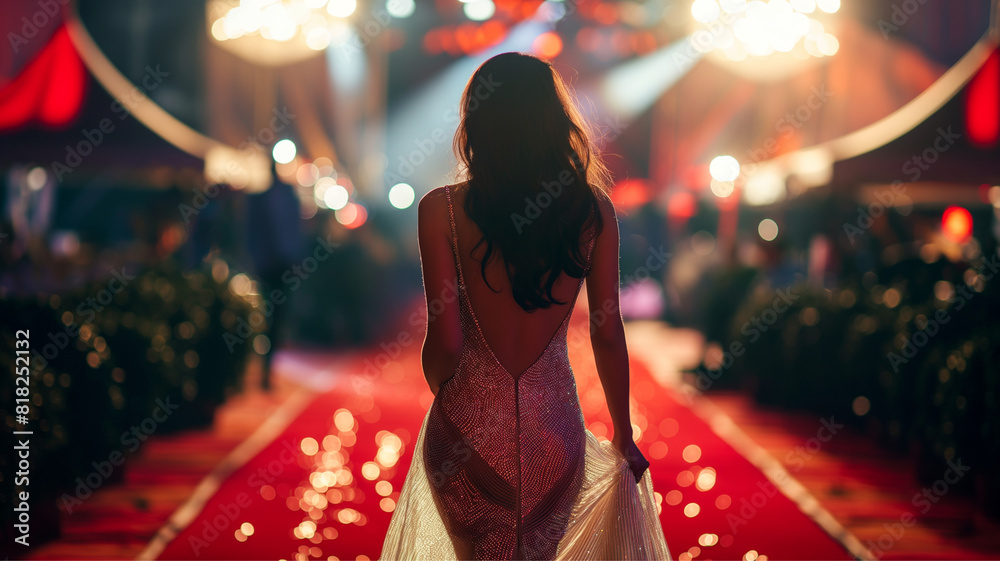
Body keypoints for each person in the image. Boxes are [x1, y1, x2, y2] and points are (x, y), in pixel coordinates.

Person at [379, 53, 671, 560]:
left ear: (477, 123)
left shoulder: (440, 210)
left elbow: (445, 342)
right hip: (553, 430)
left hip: (466, 429)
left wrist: (447, 388)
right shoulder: (593, 212)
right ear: (555, 122)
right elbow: (607, 332)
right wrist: (623, 434)